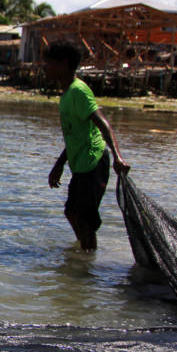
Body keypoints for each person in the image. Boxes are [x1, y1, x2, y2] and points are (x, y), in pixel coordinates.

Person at [44, 41, 130, 251]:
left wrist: (117, 157)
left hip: (93, 160)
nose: (45, 68)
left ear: (63, 64)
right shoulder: (66, 94)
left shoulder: (78, 91)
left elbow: (103, 123)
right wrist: (59, 164)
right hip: (81, 163)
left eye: (49, 64)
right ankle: (84, 251)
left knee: (83, 218)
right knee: (72, 213)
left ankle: (86, 266)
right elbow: (76, 134)